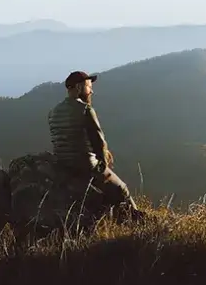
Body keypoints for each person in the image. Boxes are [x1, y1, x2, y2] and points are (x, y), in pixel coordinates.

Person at [47, 70, 145, 221]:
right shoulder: (85, 109)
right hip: (86, 165)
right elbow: (98, 142)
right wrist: (104, 168)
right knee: (121, 188)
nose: (91, 90)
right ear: (79, 87)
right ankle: (137, 221)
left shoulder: (52, 112)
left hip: (63, 164)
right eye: (88, 86)